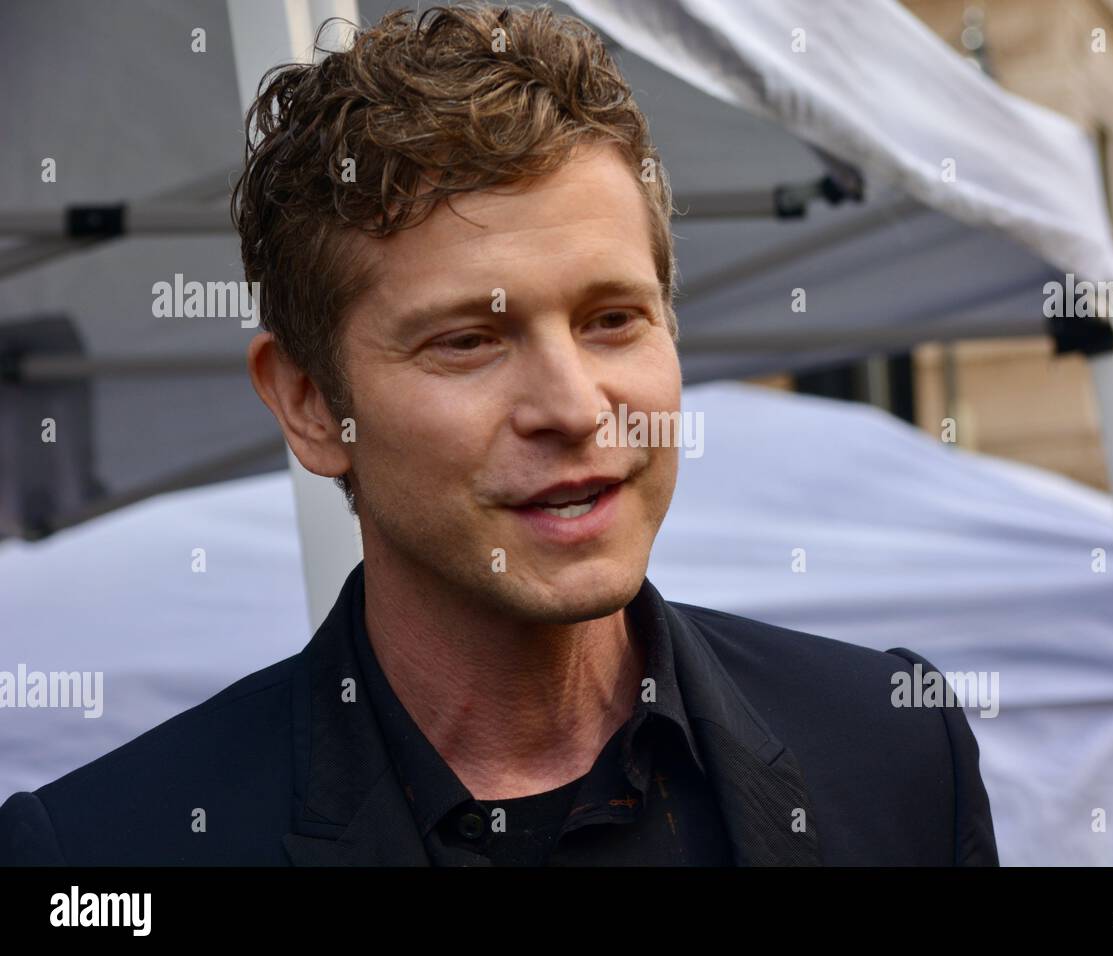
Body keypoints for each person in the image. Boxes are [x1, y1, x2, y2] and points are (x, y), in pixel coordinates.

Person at [0, 4, 997, 866]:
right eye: (470, 340)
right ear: (308, 401)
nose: (572, 405)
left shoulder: (894, 750)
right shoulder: (109, 848)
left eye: (613, 318)